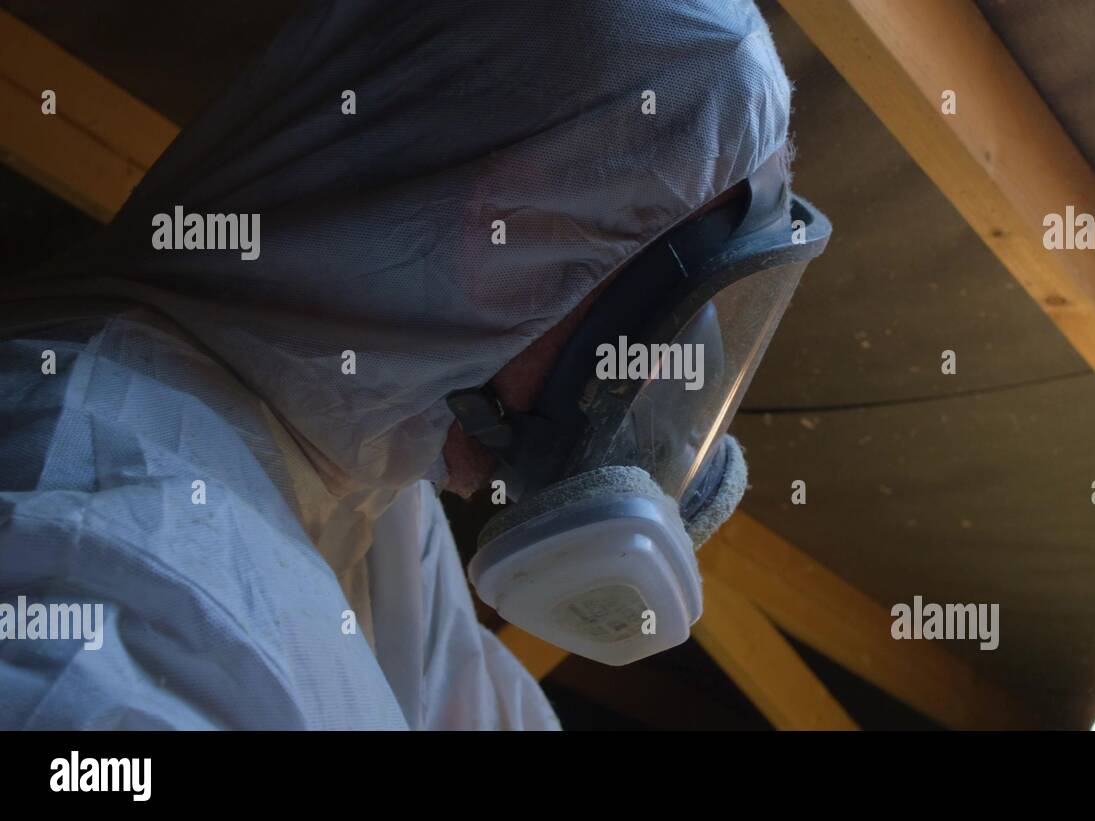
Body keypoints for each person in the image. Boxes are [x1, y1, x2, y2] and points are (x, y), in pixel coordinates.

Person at [0, 0, 825, 729]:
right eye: (658, 309)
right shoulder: (93, 569)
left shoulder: (369, 489)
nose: (662, 377)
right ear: (503, 232)